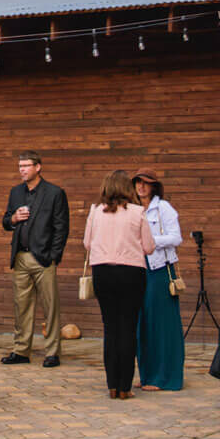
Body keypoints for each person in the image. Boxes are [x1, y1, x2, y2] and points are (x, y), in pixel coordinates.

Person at [84, 169, 151, 398]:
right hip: (131, 272)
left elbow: (87, 243)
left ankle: (112, 385)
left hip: (103, 271)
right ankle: (125, 387)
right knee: (128, 328)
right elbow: (149, 246)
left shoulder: (95, 211)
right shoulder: (137, 212)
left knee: (110, 328)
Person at [0, 150, 68, 367]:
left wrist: (53, 256)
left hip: (43, 259)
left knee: (50, 307)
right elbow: (5, 221)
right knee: (21, 307)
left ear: (38, 167)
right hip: (20, 257)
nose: (22, 170)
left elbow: (61, 228)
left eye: (26, 166)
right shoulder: (15, 192)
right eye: (20, 166)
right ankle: (21, 350)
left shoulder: (54, 193)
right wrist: (13, 218)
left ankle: (52, 352)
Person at [132, 169, 184, 391]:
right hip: (137, 269)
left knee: (161, 325)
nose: (141, 187)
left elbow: (176, 237)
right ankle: (147, 375)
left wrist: (150, 240)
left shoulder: (163, 208)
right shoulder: (132, 209)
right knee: (142, 324)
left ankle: (165, 377)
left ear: (154, 186)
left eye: (146, 183)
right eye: (138, 183)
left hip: (159, 270)